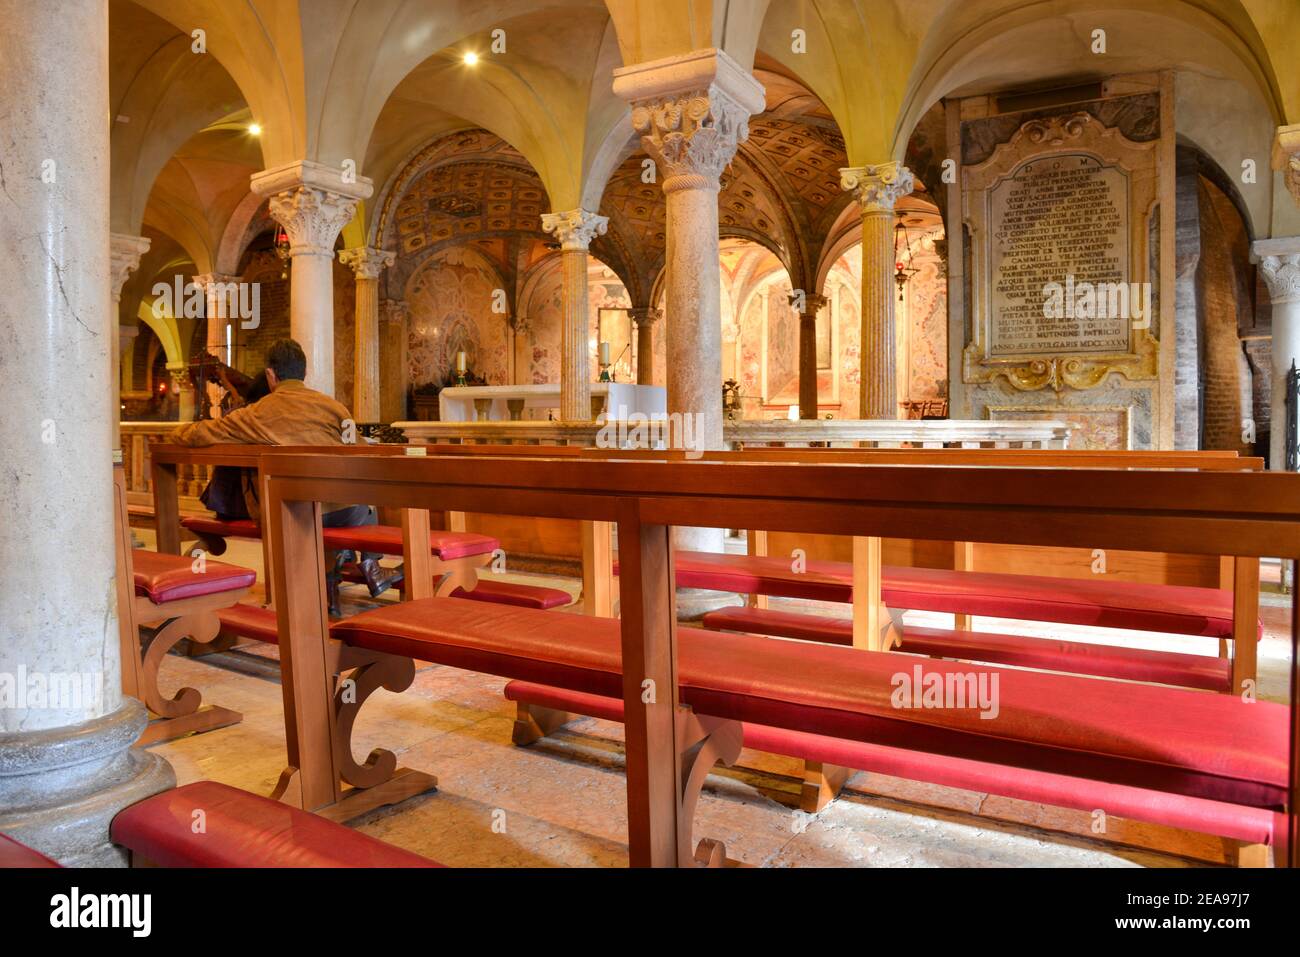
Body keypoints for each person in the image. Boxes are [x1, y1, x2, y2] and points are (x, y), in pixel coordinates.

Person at [170, 338, 400, 613]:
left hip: (288, 512)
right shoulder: (333, 407)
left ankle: (332, 582)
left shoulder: (255, 413)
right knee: (362, 502)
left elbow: (198, 433)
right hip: (343, 512)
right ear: (304, 373)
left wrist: (176, 432)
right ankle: (369, 567)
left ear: (270, 374)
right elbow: (360, 450)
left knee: (312, 517)